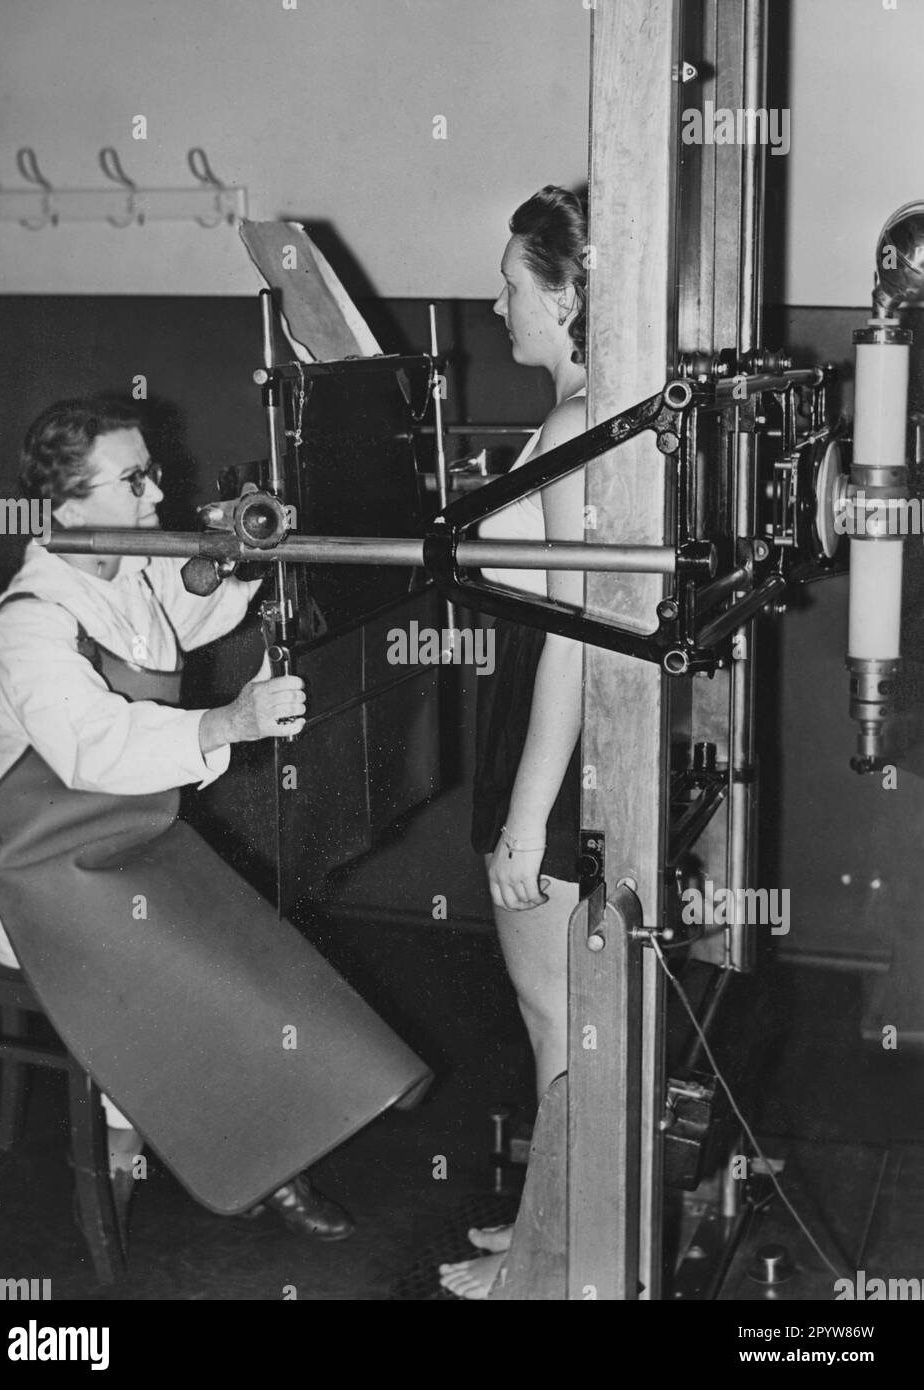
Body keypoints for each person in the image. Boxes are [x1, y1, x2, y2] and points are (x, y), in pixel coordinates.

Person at [0, 397, 430, 1242]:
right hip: (32, 865)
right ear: (67, 504)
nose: (156, 496)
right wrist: (228, 724)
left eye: (154, 474)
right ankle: (117, 1180)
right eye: (134, 480)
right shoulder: (32, 623)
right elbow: (94, 749)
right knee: (178, 984)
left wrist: (240, 563)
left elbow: (186, 613)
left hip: (127, 835)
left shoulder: (127, 567)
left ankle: (284, 1150)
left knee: (260, 956)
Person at [439, 186, 588, 1298]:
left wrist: (529, 820)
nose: (499, 305)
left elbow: (577, 642)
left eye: (512, 286)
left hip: (554, 739)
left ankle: (550, 1271)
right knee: (560, 1027)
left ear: (570, 293)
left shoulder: (581, 426)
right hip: (540, 723)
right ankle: (548, 1225)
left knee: (563, 1027)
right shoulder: (587, 413)